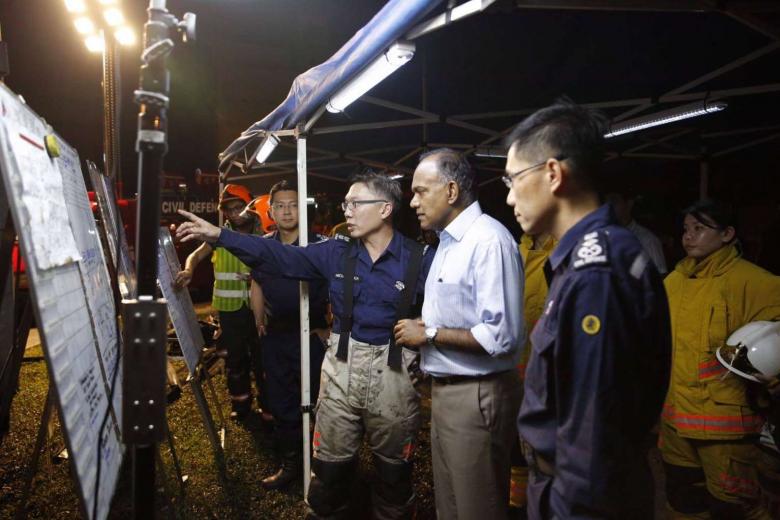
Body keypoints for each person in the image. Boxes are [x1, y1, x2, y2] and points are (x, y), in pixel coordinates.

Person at [176, 171, 434, 519]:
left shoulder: (422, 259)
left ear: (385, 209)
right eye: (346, 204)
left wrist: (430, 331)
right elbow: (277, 256)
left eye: (356, 203)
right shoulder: (336, 253)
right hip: (342, 372)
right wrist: (221, 236)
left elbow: (461, 309)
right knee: (328, 473)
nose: (347, 211)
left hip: (393, 377)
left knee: (393, 475)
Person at [506, 99, 671, 519]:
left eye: (513, 179)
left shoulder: (595, 273)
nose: (508, 197)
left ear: (552, 173)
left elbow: (591, 440)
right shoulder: (589, 257)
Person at [394, 148, 523, 519]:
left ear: (451, 191)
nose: (413, 202)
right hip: (449, 393)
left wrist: (429, 334)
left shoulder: (489, 241)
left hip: (477, 395)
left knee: (477, 507)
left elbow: (500, 337)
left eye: (421, 191)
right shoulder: (448, 243)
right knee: (451, 507)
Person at [660, 199, 780, 518]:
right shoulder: (673, 283)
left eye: (699, 228)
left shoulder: (754, 282)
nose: (688, 236)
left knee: (733, 508)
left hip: (725, 429)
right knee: (683, 501)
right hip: (675, 423)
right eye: (686, 229)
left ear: (727, 234)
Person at [245, 180, 329, 490]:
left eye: (293, 205)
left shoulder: (318, 245)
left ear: (302, 208)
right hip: (277, 339)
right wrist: (258, 319)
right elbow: (256, 282)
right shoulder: (264, 246)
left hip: (312, 337)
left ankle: (324, 466)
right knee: (282, 402)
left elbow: (340, 285)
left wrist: (331, 327)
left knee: (322, 403)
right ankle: (291, 463)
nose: (287, 211)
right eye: (280, 206)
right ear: (270, 211)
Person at [175, 183, 263, 421]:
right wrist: (189, 269)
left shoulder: (264, 233)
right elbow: (196, 255)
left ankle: (268, 406)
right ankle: (241, 405)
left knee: (263, 359)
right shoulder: (218, 236)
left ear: (250, 206)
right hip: (230, 311)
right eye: (229, 209)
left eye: (239, 207)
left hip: (260, 310)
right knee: (235, 359)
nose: (234, 214)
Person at [510, 232, 556, 513]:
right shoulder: (515, 250)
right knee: (514, 448)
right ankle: (517, 506)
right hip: (514, 370)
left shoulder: (566, 253)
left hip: (548, 375)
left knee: (544, 451)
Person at [604, 190, 667, 274]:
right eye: (605, 203)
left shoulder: (647, 241)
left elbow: (660, 276)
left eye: (614, 201)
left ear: (629, 204)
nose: (608, 207)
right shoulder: (601, 237)